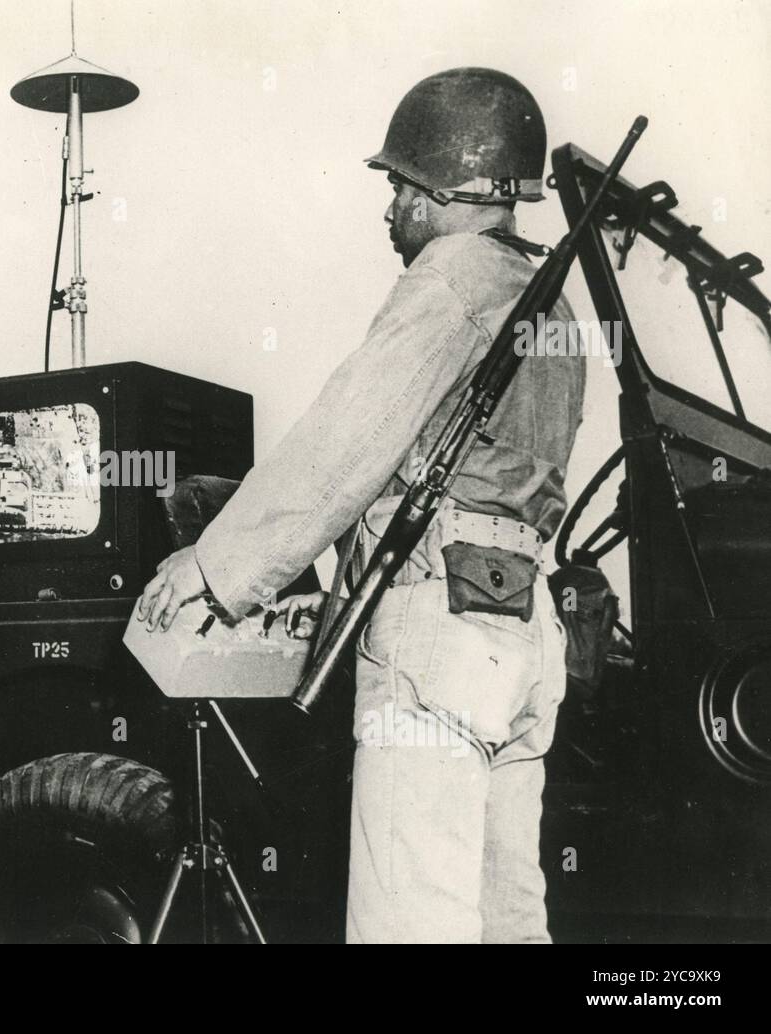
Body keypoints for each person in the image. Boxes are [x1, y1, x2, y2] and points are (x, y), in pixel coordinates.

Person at [138, 68, 583, 943]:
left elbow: (346, 439)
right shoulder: (550, 303)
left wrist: (218, 567)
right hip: (521, 639)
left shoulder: (452, 278)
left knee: (410, 922)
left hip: (434, 638)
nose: (391, 210)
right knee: (508, 921)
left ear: (446, 189)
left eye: (399, 188)